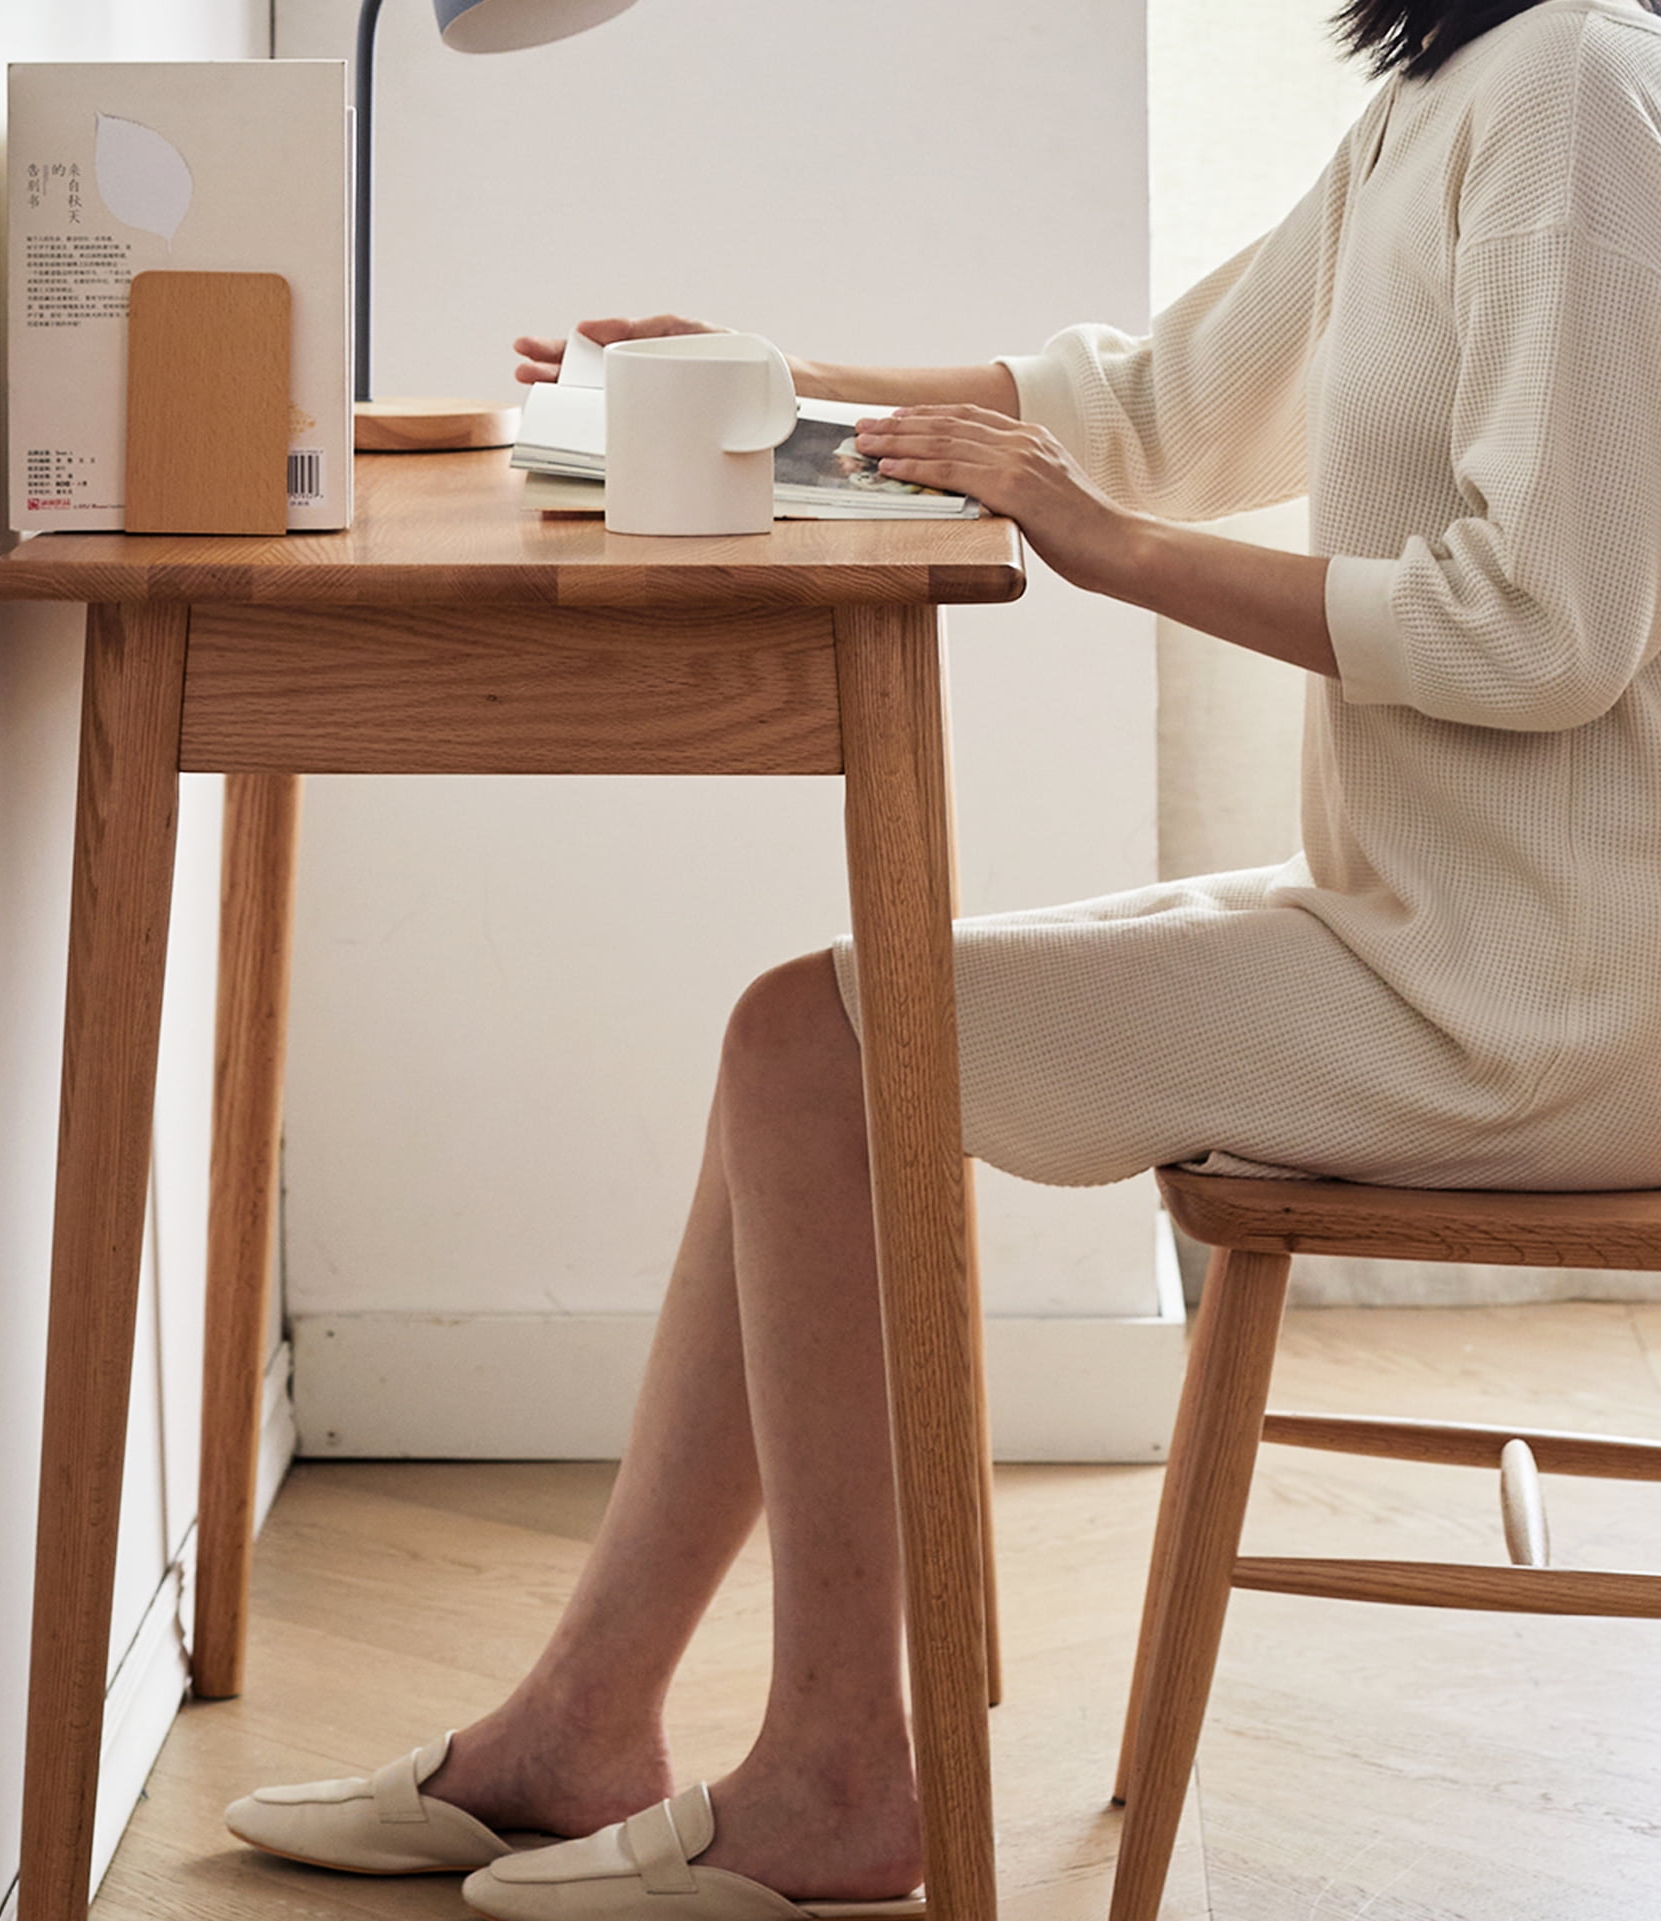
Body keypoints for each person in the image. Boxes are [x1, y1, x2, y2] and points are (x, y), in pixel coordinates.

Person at [224, 3, 1661, 1914]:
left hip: (1550, 1000)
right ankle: (583, 1726)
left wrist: (1110, 551)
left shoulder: (1578, 85)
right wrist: (769, 375)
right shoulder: (1449, 94)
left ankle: (829, 1771)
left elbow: (1544, 631)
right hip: (1440, 934)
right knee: (801, 1036)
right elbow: (1152, 398)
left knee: (819, 1048)